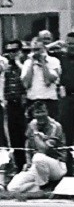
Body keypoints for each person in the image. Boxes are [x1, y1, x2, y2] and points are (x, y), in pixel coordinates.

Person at [5, 101, 66, 193]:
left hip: (56, 165)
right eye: (37, 112)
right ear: (33, 114)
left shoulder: (55, 126)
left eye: (43, 112)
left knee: (38, 157)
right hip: (37, 166)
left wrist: (36, 132)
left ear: (47, 112)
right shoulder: (32, 124)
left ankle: (44, 185)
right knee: (12, 187)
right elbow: (27, 145)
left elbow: (43, 149)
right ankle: (43, 188)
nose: (41, 115)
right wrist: (28, 162)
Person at [0, 40, 28, 173]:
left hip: (25, 104)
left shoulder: (26, 64)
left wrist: (18, 61)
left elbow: (26, 79)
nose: (11, 54)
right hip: (11, 105)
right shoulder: (5, 66)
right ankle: (19, 166)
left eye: (14, 50)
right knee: (14, 137)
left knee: (28, 136)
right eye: (9, 51)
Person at [21, 37, 60, 119]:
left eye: (38, 49)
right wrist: (32, 63)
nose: (36, 52)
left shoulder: (53, 61)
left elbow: (48, 81)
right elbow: (26, 84)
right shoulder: (27, 63)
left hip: (49, 100)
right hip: (32, 100)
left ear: (44, 49)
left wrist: (43, 63)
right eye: (33, 50)